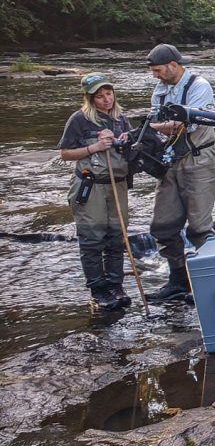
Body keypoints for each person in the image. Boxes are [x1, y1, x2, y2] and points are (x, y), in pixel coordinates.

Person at [144, 44, 215, 302]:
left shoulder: (200, 86)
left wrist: (154, 126)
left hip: (199, 160)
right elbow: (158, 121)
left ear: (173, 66)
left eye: (158, 70)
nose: (155, 75)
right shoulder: (161, 90)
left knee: (199, 227)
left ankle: (212, 283)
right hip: (169, 161)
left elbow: (185, 126)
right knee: (162, 225)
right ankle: (178, 280)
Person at [57, 74, 134, 311]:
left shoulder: (121, 118)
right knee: (92, 240)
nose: (106, 100)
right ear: (90, 98)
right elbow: (65, 154)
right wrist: (95, 147)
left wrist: (127, 140)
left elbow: (133, 148)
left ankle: (115, 285)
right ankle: (98, 290)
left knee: (116, 237)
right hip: (90, 187)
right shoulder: (78, 120)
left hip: (117, 184)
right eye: (100, 96)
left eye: (109, 94)